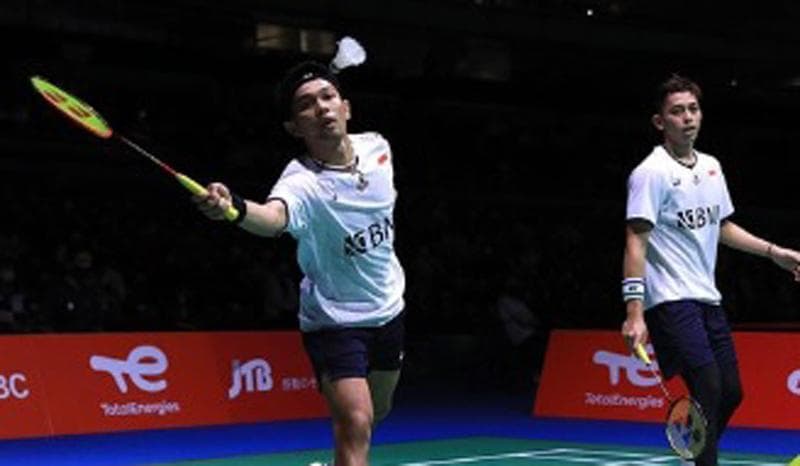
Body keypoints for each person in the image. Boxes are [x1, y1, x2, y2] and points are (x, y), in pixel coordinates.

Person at [194, 61, 405, 466]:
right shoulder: (302, 183)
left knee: (377, 412)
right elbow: (273, 218)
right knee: (356, 420)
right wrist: (233, 208)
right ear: (294, 128)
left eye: (328, 97)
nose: (321, 107)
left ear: (346, 107)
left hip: (389, 307)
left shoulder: (378, 148)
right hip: (336, 319)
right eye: (307, 104)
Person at [621, 74, 800, 466]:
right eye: (677, 111)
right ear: (660, 121)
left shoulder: (711, 167)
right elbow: (636, 240)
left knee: (731, 392)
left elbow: (721, 227)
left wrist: (773, 252)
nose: (688, 117)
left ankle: (695, 452)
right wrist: (634, 312)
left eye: (693, 109)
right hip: (669, 299)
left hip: (707, 297)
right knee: (708, 386)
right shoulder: (650, 173)